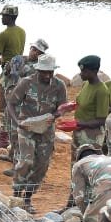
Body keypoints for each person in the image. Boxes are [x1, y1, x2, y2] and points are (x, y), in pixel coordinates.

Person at [9, 54, 67, 211]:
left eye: (50, 72)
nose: (47, 75)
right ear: (38, 70)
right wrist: (17, 122)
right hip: (27, 128)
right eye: (44, 72)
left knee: (41, 165)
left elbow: (61, 108)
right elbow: (12, 103)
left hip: (46, 131)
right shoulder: (26, 83)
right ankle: (16, 195)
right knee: (25, 161)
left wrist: (54, 116)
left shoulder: (59, 86)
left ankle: (27, 198)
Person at [0, 38, 48, 146]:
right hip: (10, 96)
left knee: (18, 129)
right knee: (10, 125)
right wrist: (7, 69)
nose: (34, 53)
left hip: (22, 102)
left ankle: (17, 156)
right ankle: (11, 152)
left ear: (42, 55)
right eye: (33, 49)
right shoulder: (19, 59)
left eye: (38, 52)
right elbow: (6, 74)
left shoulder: (39, 68)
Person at [72, 55, 110, 159]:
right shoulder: (85, 84)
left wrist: (80, 123)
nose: (81, 74)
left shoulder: (102, 91)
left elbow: (102, 120)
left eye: (84, 71)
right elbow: (82, 103)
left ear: (94, 71)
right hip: (79, 131)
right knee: (76, 165)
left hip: (92, 137)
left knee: (87, 166)